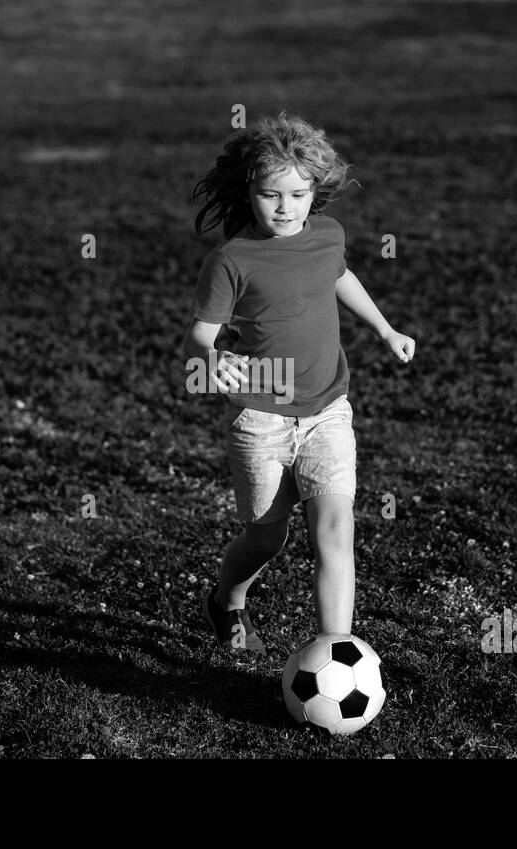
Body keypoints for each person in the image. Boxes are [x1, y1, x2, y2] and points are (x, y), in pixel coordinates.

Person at [183, 112, 415, 652]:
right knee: (268, 536)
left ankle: (336, 649)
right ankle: (226, 603)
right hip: (260, 416)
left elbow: (339, 276)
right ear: (250, 192)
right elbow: (200, 332)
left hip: (328, 409)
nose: (286, 208)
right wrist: (210, 356)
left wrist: (385, 329)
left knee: (335, 531)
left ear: (316, 191)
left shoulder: (328, 235)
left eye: (299, 194)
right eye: (271, 195)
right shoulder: (231, 260)